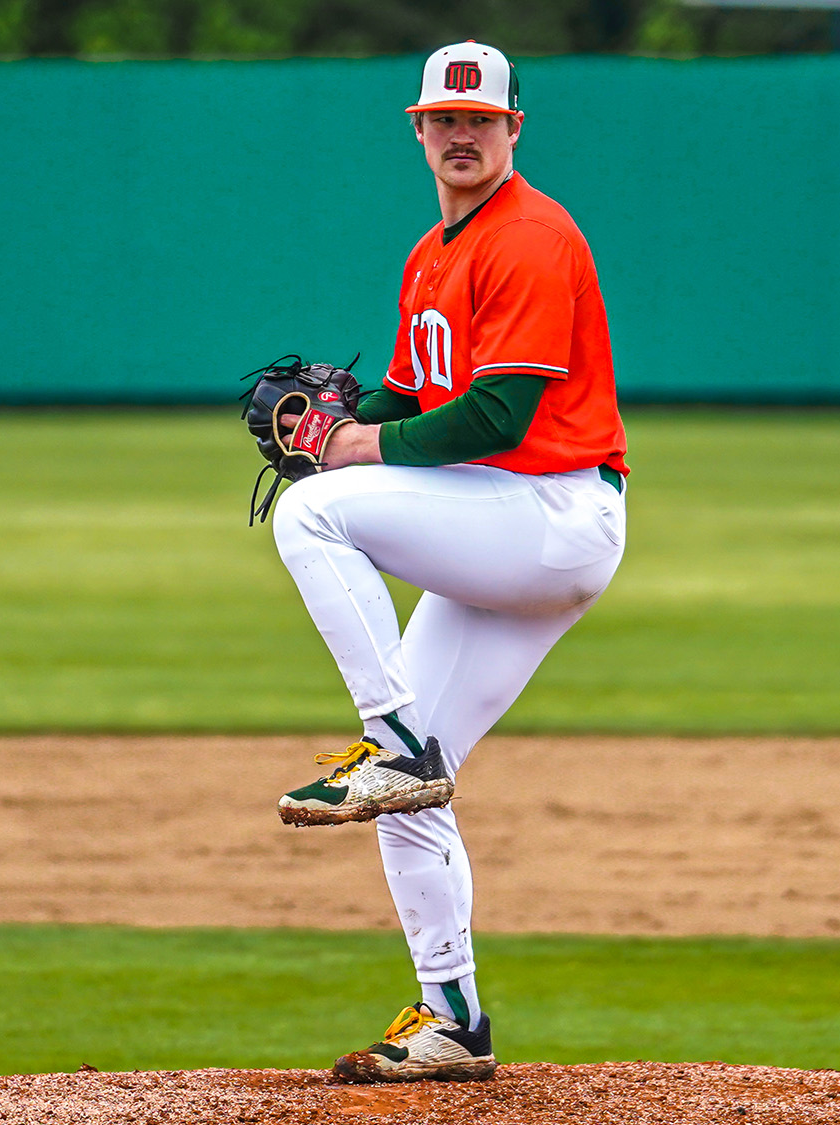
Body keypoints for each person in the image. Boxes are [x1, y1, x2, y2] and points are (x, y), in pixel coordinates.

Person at [267, 41, 629, 1082]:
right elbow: (407, 398)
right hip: (504, 519)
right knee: (407, 797)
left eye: (480, 118)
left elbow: (496, 413)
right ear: (417, 130)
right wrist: (330, 418)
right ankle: (452, 1021)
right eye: (442, 118)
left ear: (514, 128)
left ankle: (394, 741)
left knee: (316, 516)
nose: (460, 132)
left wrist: (349, 449)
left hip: (551, 511)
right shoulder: (431, 251)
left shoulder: (531, 236)